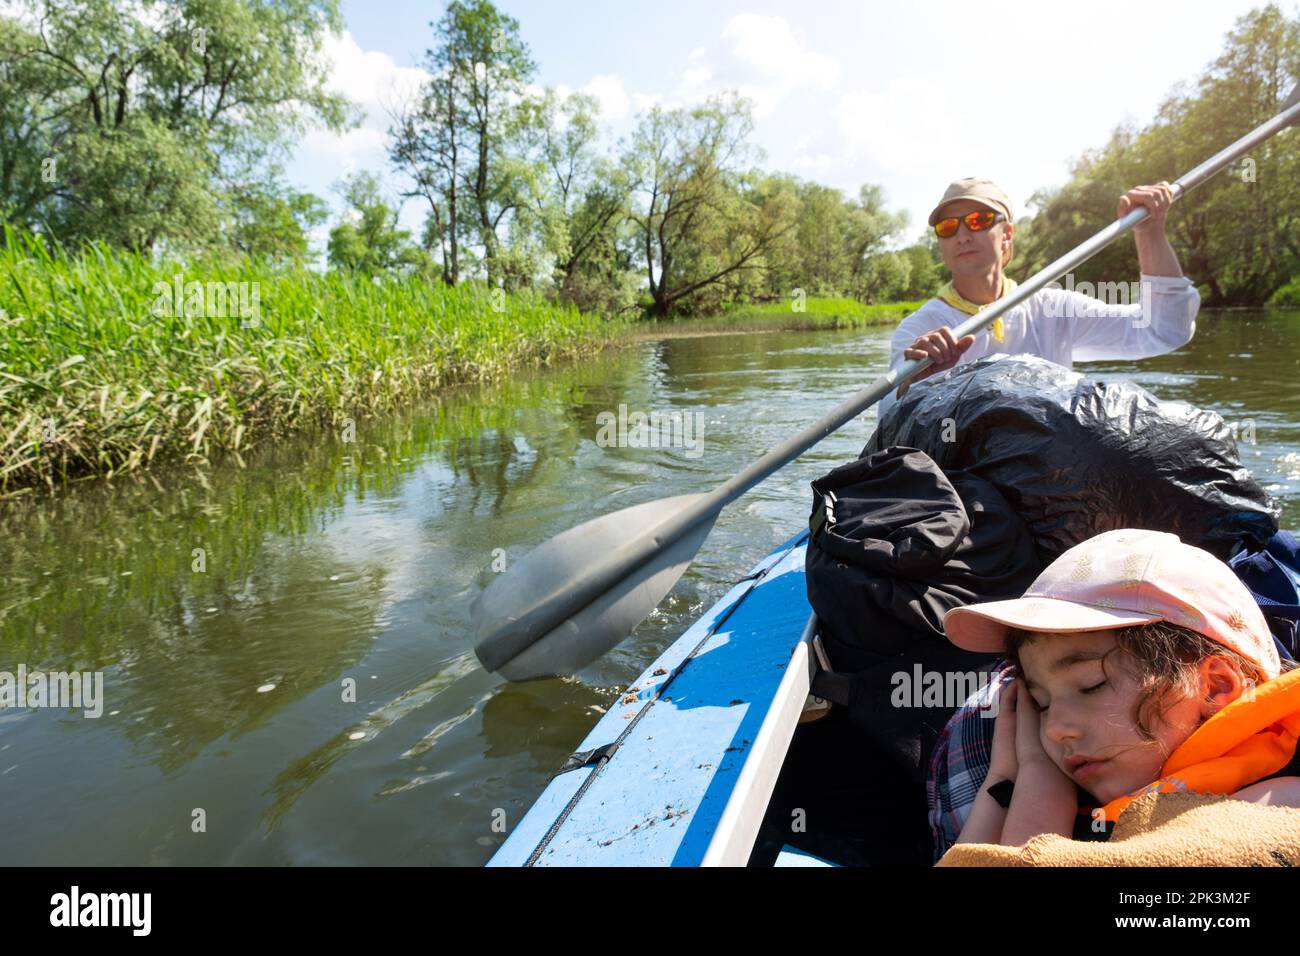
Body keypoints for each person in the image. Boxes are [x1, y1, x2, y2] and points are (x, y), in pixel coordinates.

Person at [934, 528, 1300, 861]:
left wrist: (1041, 784)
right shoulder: (1087, 795)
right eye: (1041, 704)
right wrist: (1015, 775)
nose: (1054, 730)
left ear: (1216, 686)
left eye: (1091, 685)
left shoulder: (1277, 803)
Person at [876, 177, 1200, 421]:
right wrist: (916, 385)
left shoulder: (1054, 309)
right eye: (948, 227)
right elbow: (890, 420)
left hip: (1053, 477)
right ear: (941, 245)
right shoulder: (918, 330)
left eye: (978, 221)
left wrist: (1150, 233)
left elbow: (1163, 329)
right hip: (966, 483)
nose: (962, 235)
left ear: (1007, 236)